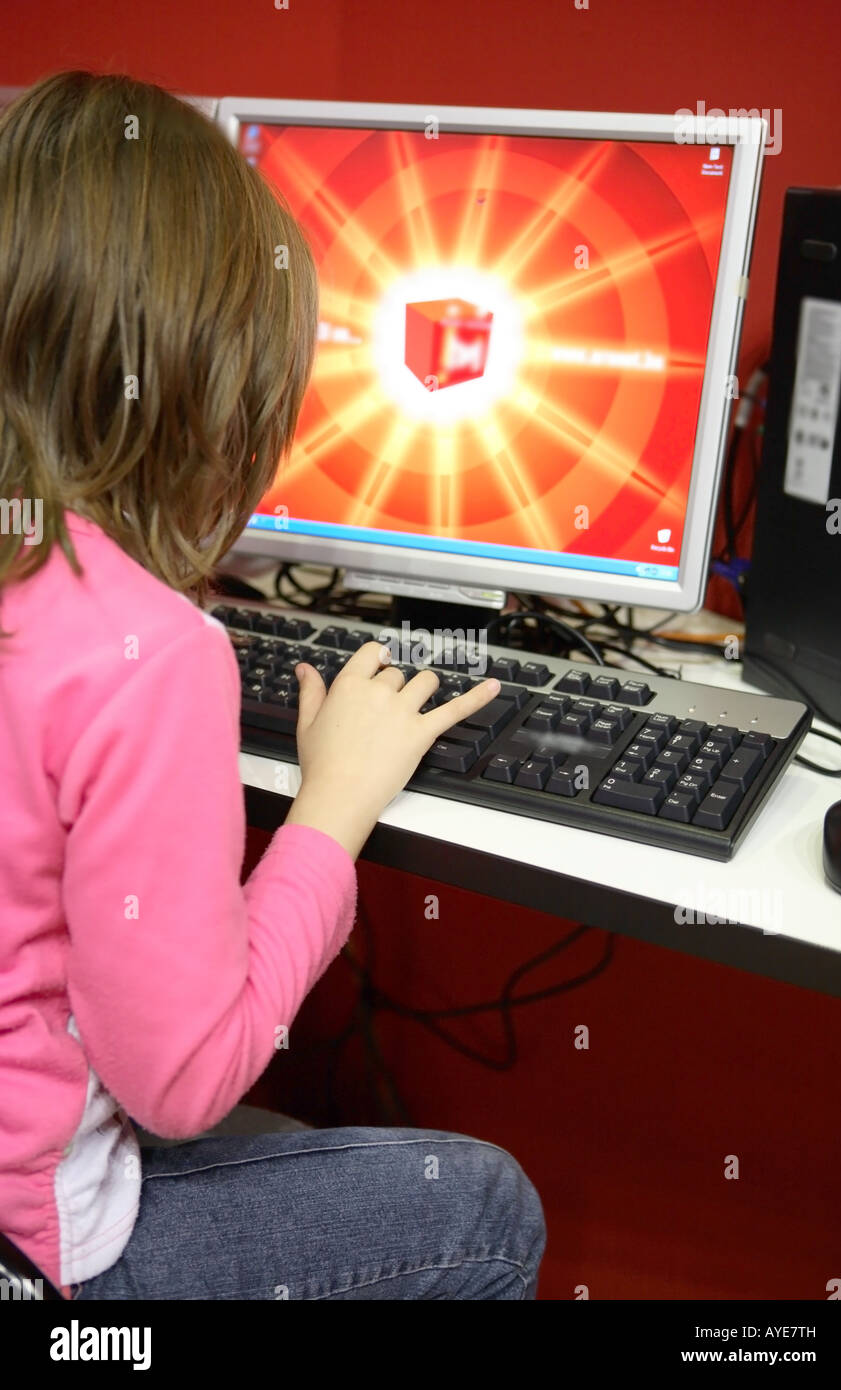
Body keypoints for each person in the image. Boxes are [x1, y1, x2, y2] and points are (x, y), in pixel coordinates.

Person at [0, 72, 545, 1300]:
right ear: (206, 390)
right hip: (41, 1262)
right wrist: (330, 811)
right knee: (479, 1210)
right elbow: (182, 1086)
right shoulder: (147, 652)